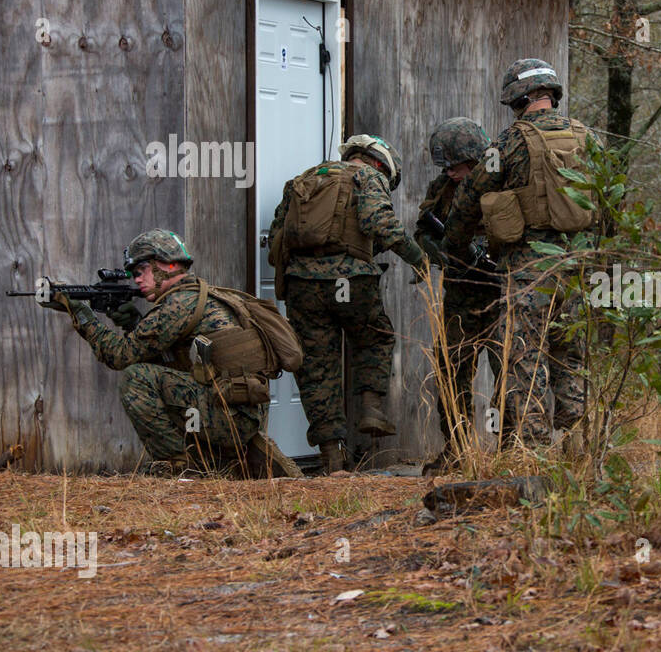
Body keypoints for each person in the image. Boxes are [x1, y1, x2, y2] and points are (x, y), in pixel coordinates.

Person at [38, 229, 300, 477]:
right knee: (155, 375)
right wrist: (133, 323)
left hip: (229, 416)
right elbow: (171, 362)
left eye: (142, 270)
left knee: (136, 379)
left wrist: (82, 315)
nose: (137, 279)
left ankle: (181, 466)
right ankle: (224, 458)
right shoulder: (198, 294)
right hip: (239, 412)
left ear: (166, 265)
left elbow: (119, 356)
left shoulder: (177, 304)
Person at [440, 59, 592, 449]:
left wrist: (453, 245)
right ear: (550, 95)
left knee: (526, 359)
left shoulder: (508, 144)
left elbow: (470, 198)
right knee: (570, 355)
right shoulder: (587, 137)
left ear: (519, 100)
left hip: (528, 271)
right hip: (578, 268)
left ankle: (533, 452)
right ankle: (578, 444)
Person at [268, 134, 427, 473]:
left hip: (303, 287)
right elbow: (379, 224)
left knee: (316, 369)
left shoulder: (304, 179)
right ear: (378, 164)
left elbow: (278, 236)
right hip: (351, 281)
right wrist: (419, 259)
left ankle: (333, 460)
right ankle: (370, 408)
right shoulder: (366, 177)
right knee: (374, 338)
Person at [416, 117, 501, 456]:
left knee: (508, 372)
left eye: (456, 165)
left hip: (499, 292)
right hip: (459, 295)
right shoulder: (441, 188)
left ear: (475, 157)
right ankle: (456, 449)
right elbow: (422, 230)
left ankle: (508, 446)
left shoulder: (503, 182)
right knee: (451, 369)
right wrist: (436, 249)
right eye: (446, 166)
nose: (449, 171)